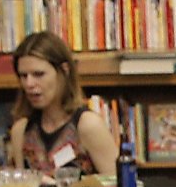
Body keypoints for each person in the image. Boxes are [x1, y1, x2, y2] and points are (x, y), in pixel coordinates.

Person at [6, 31, 117, 177]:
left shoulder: (88, 125)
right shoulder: (21, 131)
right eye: (23, 76)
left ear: (64, 70)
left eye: (38, 74)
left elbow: (117, 186)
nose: (29, 84)